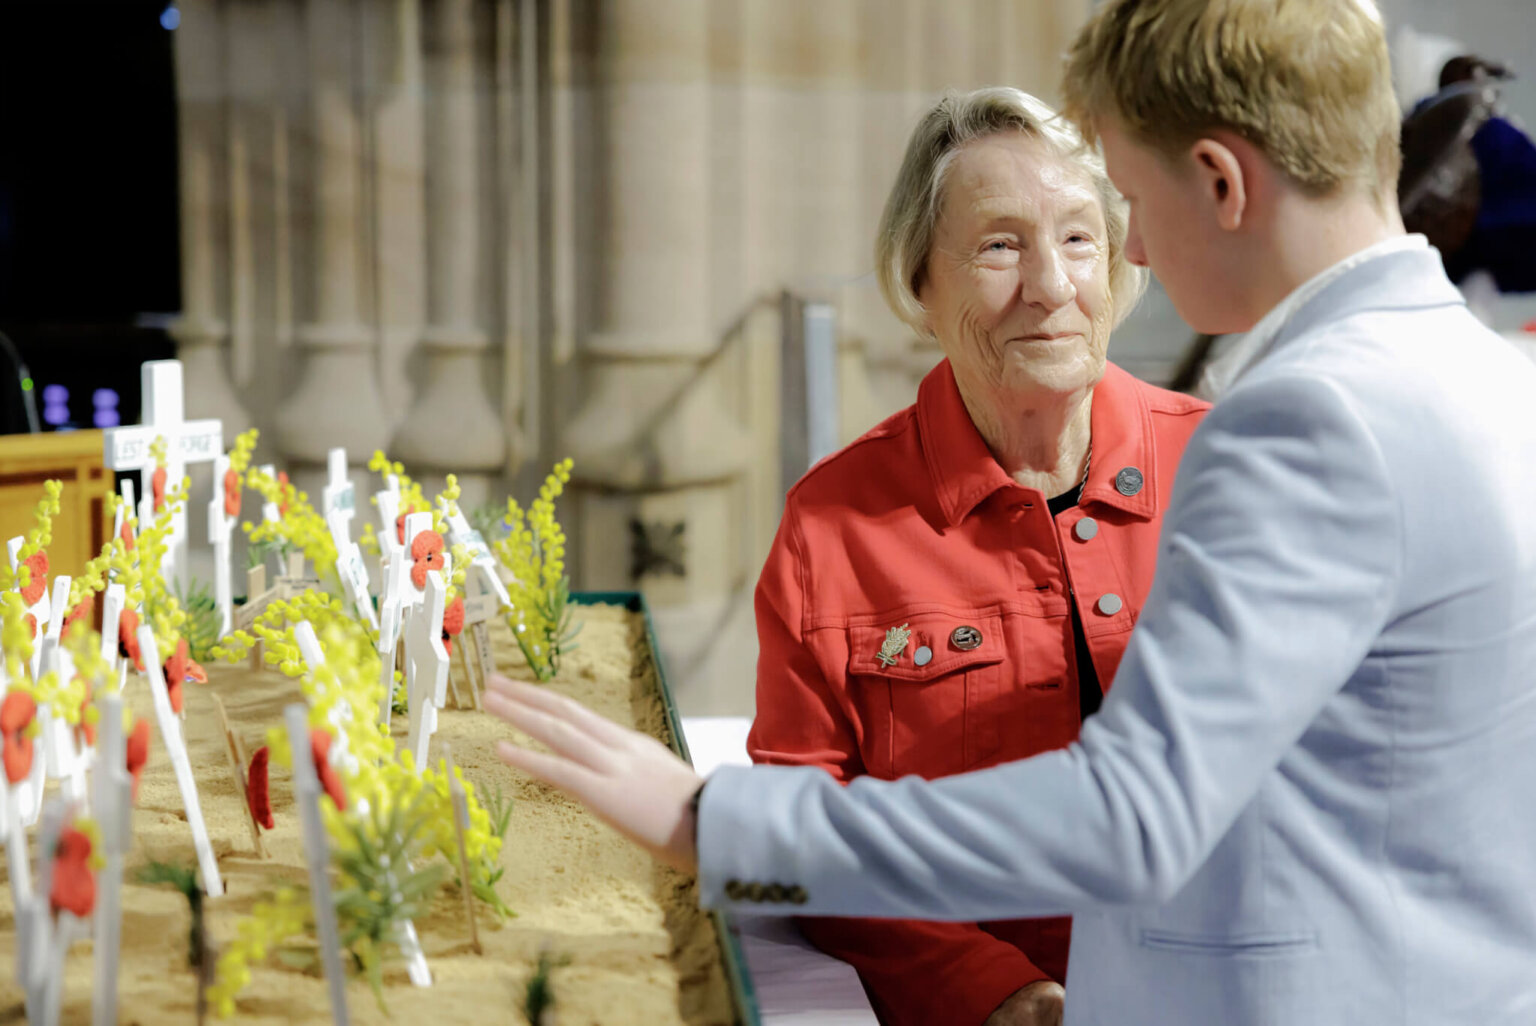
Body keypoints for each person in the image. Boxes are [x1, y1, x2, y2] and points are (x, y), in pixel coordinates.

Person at [484, 2, 1536, 1023]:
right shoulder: (1493, 378)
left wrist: (715, 824)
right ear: (919, 282)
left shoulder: (1296, 422)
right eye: (997, 247)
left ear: (1217, 181)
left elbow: (1135, 817)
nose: (1121, 262)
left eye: (1114, 213)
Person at [744, 87, 1206, 1026]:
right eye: (1000, 246)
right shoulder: (832, 523)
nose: (1050, 287)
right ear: (920, 285)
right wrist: (990, 990)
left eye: (1079, 239)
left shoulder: (1228, 469)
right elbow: (801, 834)